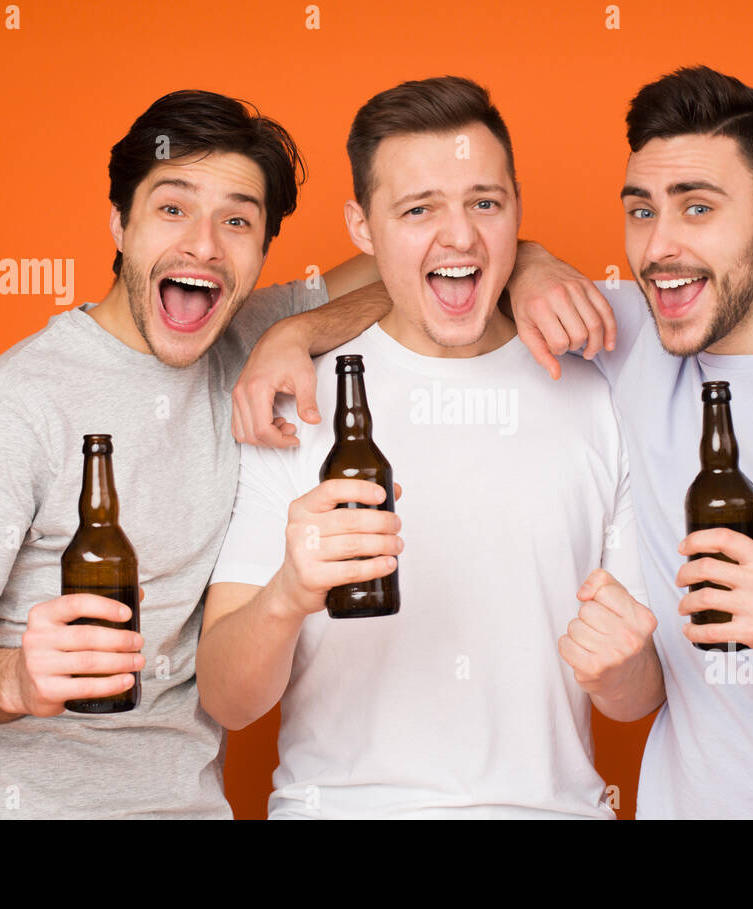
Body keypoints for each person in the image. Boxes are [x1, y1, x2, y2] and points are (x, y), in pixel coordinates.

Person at [237, 66, 753, 819]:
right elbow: (450, 263)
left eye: (699, 208)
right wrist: (296, 331)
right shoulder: (629, 336)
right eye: (642, 211)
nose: (658, 249)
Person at [197, 76, 662, 819]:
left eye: (485, 202)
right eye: (419, 209)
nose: (461, 236)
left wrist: (624, 667)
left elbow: (639, 700)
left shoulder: (596, 397)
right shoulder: (302, 406)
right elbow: (226, 698)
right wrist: (288, 593)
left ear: (516, 208)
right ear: (362, 226)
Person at [0, 89, 378, 818]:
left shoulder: (242, 334)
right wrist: (13, 679)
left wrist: (527, 262)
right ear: (120, 222)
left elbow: (409, 269)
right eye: (172, 208)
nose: (205, 245)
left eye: (238, 221)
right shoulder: (9, 408)